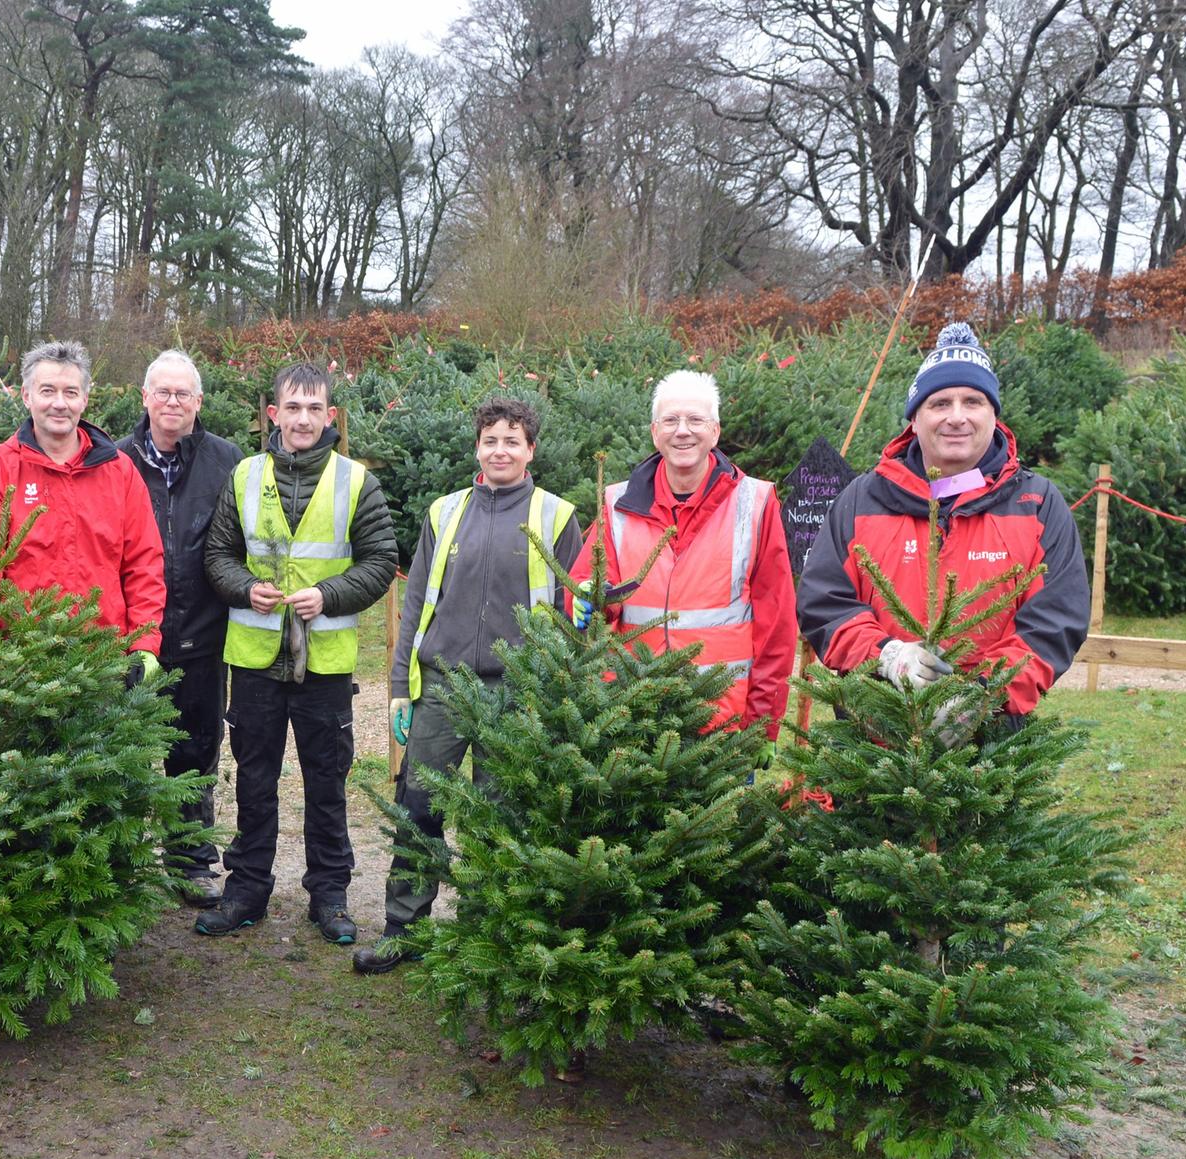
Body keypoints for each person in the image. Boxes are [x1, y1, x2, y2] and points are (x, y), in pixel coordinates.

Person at [357, 396, 584, 975]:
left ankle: (487, 934)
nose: (500, 450)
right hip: (443, 686)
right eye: (490, 440)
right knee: (419, 807)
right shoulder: (444, 513)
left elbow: (571, 610)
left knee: (498, 814)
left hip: (519, 692)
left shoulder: (557, 517)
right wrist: (401, 687)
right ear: (476, 447)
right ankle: (402, 930)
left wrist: (558, 691)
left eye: (512, 440)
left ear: (531, 449)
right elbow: (414, 605)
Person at [797, 322, 1089, 735]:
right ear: (914, 419)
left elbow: (1056, 620)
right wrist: (887, 657)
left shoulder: (1038, 504)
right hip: (872, 736)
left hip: (992, 738)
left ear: (994, 415)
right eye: (939, 403)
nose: (957, 417)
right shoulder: (861, 499)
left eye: (972, 401)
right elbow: (824, 603)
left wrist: (984, 696)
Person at [197, 362, 396, 945]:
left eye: (315, 409)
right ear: (273, 415)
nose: (303, 419)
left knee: (326, 780)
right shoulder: (243, 476)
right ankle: (247, 890)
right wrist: (243, 587)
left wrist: (329, 594)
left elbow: (382, 561)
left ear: (330, 416)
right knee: (254, 778)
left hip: (325, 666)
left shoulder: (356, 482)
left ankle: (329, 894)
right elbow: (218, 555)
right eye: (293, 408)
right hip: (256, 660)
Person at [569, 369, 797, 743]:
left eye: (695, 420)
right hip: (633, 715)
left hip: (720, 723)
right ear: (654, 432)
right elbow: (589, 586)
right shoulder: (616, 504)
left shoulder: (755, 503)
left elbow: (777, 625)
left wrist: (764, 724)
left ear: (716, 431)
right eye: (671, 420)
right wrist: (584, 599)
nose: (683, 431)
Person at [0, 340, 166, 677]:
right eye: (47, 391)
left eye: (71, 392)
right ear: (27, 396)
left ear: (84, 399)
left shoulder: (119, 471)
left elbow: (144, 562)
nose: (60, 403)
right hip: (18, 660)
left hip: (102, 659)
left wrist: (144, 644)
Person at [126, 350, 243, 906]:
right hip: (127, 636)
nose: (173, 402)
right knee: (119, 751)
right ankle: (117, 861)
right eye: (163, 392)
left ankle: (190, 859)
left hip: (202, 633)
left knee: (195, 749)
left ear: (199, 402)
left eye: (184, 394)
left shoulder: (226, 461)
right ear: (144, 397)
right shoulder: (114, 460)